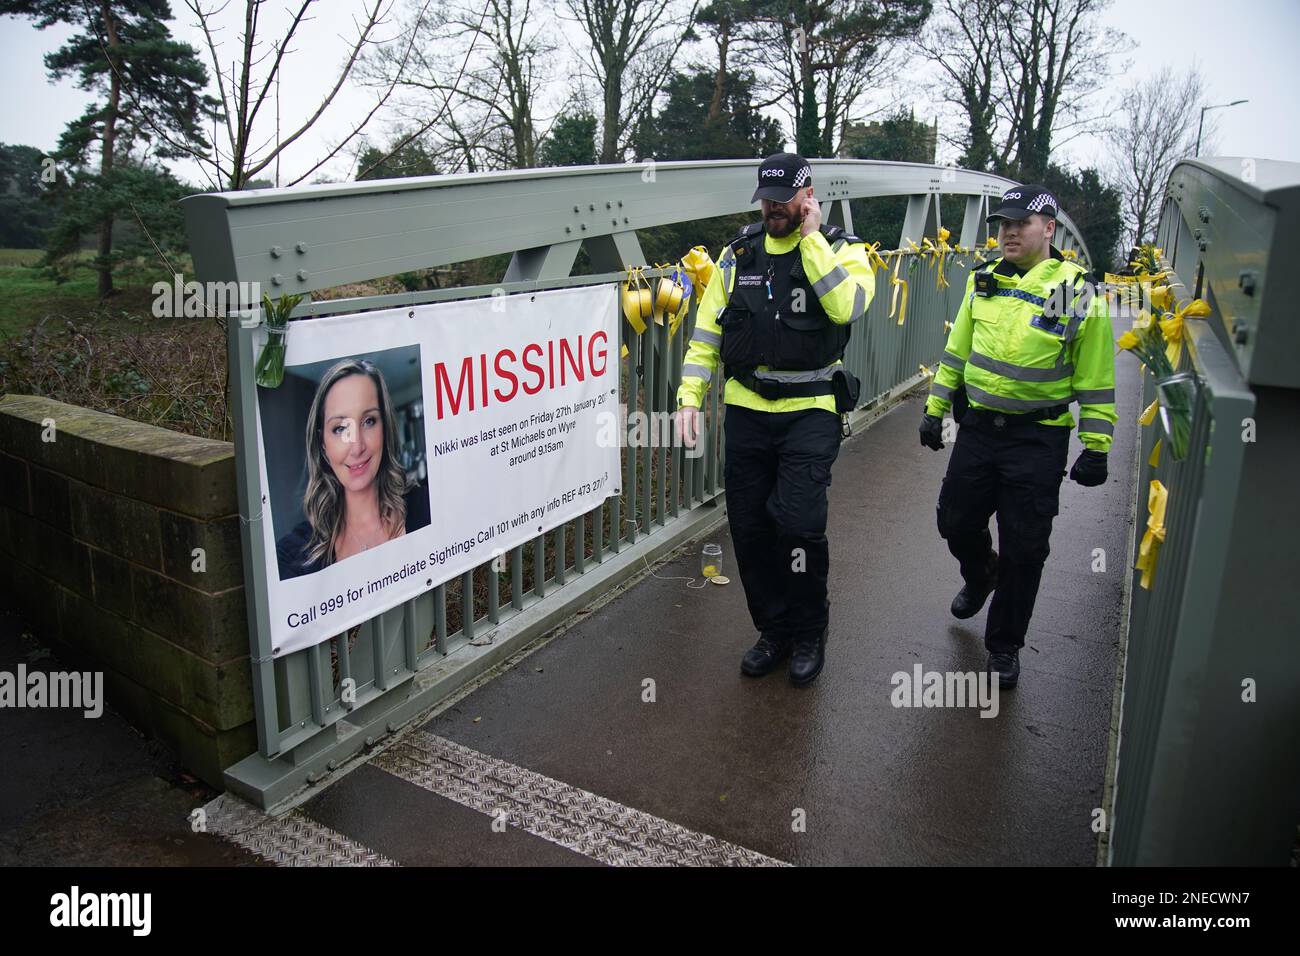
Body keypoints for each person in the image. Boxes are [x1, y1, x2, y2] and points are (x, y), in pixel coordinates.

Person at [673, 152, 874, 686]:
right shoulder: (737, 255)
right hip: (746, 411)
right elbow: (707, 334)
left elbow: (845, 308)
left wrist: (811, 240)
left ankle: (810, 632)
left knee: (799, 524)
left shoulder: (845, 251)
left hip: (810, 411)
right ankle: (774, 630)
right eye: (765, 198)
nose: (771, 209)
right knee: (751, 527)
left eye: (783, 198)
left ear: (808, 195)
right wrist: (689, 397)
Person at [919, 184, 1116, 689]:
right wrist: (935, 409)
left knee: (1026, 548)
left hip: (1037, 439)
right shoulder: (984, 280)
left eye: (1020, 223)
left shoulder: (1076, 292)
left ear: (1048, 229)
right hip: (979, 430)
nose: (1007, 231)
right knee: (954, 522)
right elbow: (958, 351)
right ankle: (981, 572)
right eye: (1003, 223)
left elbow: (1094, 377)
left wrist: (1097, 447)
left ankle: (1004, 645)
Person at [276, 358, 430, 580]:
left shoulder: (426, 506)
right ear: (323, 445)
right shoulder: (291, 557)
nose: (357, 446)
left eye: (368, 421)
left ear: (385, 429)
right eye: (340, 428)